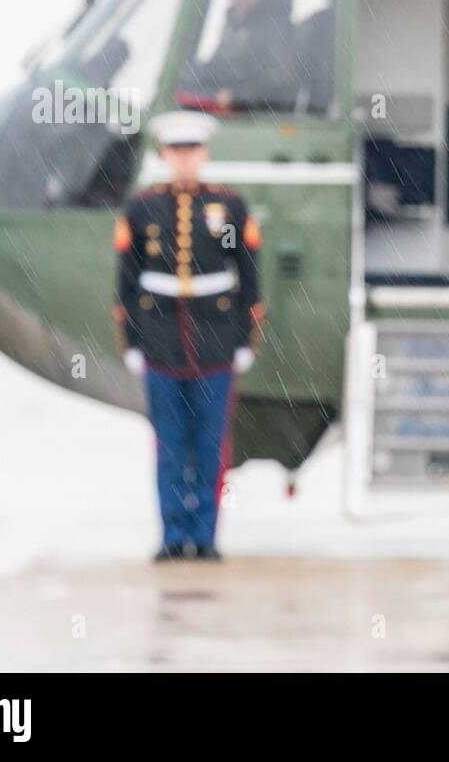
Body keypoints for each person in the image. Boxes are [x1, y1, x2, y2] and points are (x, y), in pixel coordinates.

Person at [112, 110, 264, 562]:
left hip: (215, 342)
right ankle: (172, 536)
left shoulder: (229, 207)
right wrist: (133, 343)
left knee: (211, 444)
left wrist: (245, 340)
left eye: (191, 150)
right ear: (164, 155)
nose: (184, 159)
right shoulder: (141, 207)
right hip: (160, 344)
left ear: (204, 153)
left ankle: (207, 536)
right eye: (176, 151)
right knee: (169, 444)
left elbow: (249, 276)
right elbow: (127, 281)